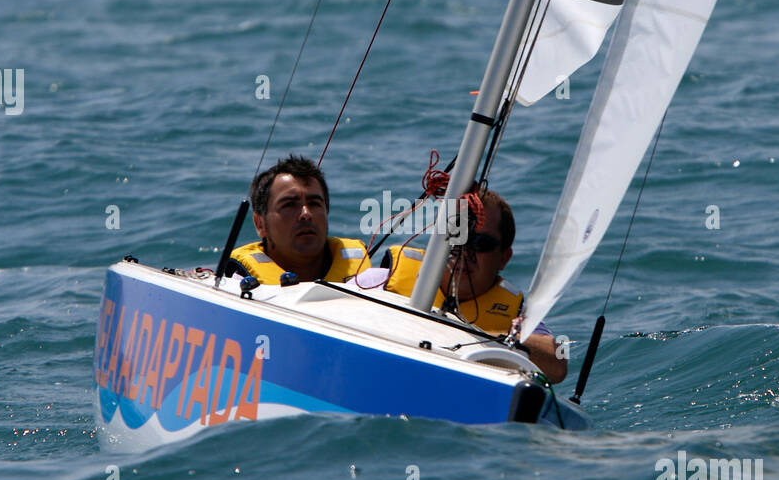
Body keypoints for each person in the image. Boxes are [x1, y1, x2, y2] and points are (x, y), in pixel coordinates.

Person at [352, 188, 568, 382]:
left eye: (481, 243)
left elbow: (558, 364)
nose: (465, 252)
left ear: (504, 258)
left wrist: (494, 338)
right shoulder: (380, 282)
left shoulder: (514, 315)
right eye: (457, 236)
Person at [225, 155, 370, 284]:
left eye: (314, 203)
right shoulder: (235, 291)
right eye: (289, 205)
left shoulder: (373, 281)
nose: (306, 214)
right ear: (260, 224)